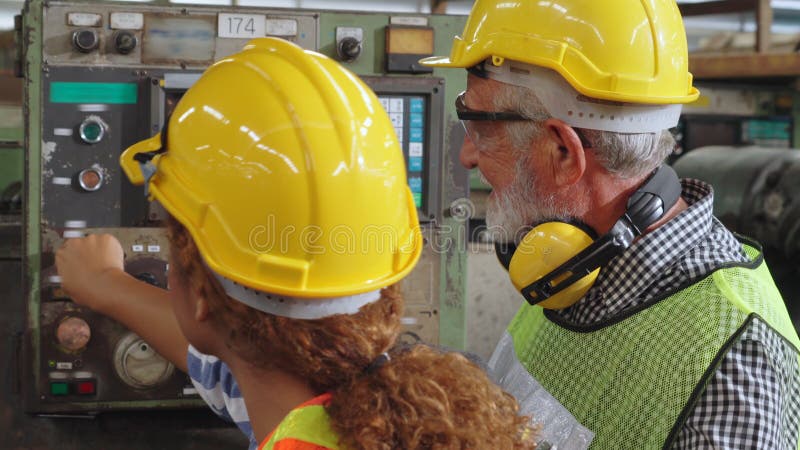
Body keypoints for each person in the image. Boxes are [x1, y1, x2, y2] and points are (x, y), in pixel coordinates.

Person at [56, 37, 536, 449]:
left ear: (200, 294)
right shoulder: (405, 414)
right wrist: (108, 285)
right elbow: (237, 369)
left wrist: (106, 281)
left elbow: (244, 351)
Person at [420, 0, 800, 449]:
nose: (468, 156)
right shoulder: (571, 262)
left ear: (563, 152)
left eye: (480, 130)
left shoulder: (732, 368)